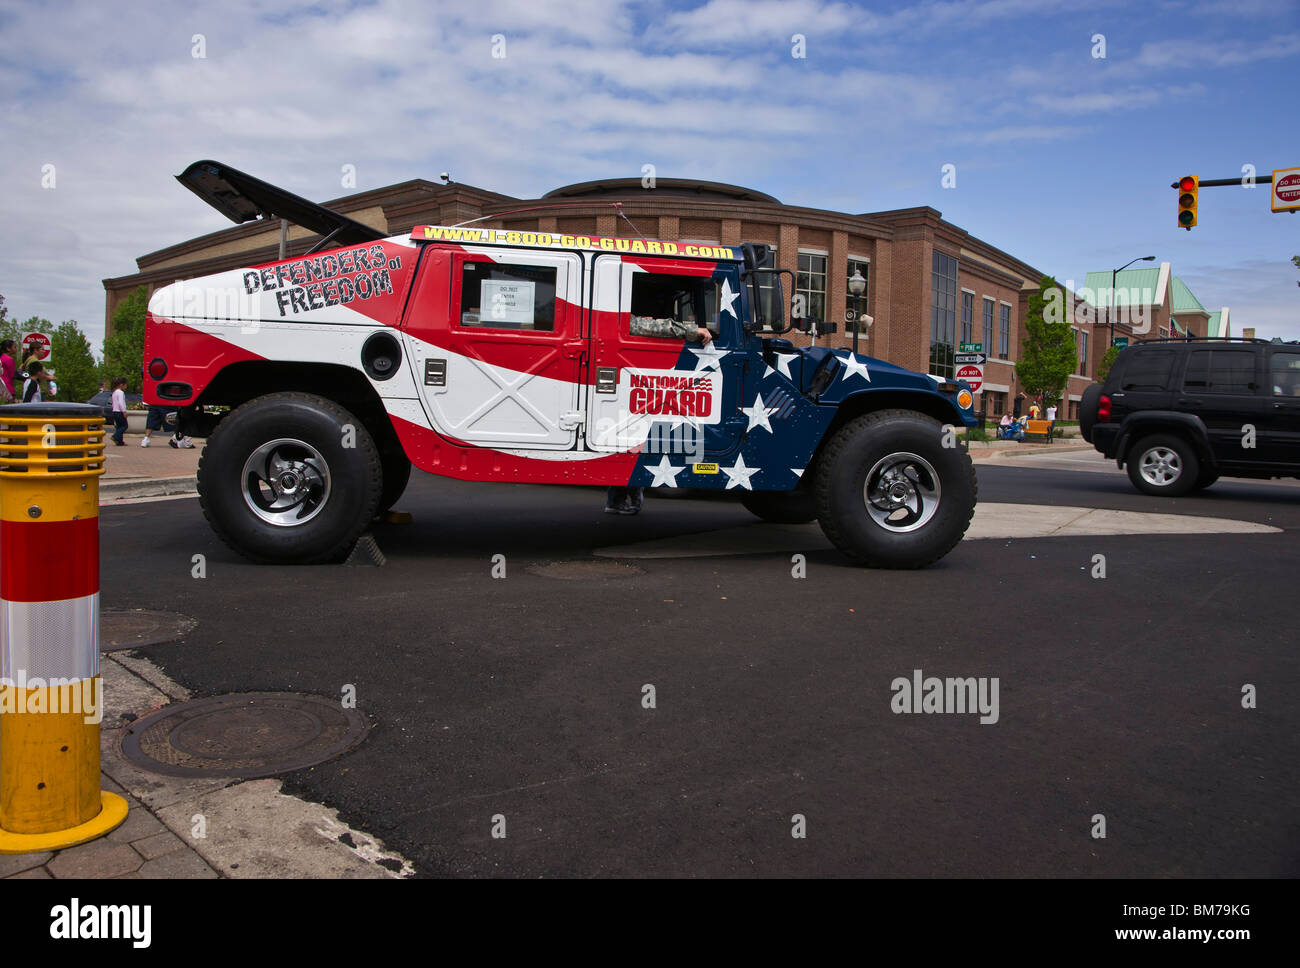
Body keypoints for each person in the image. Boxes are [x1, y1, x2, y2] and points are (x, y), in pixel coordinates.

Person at [604, 306, 713, 515]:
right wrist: (692, 330)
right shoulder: (614, 315)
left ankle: (617, 498)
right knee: (635, 440)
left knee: (628, 439)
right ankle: (626, 497)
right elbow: (647, 326)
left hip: (626, 387)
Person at [109, 377, 129, 446]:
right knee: (124, 426)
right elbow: (121, 403)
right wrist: (124, 411)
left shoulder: (114, 392)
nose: (126, 387)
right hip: (119, 411)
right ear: (121, 385)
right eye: (125, 385)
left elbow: (114, 403)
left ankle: (120, 441)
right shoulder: (120, 392)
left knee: (119, 426)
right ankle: (115, 436)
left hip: (114, 411)